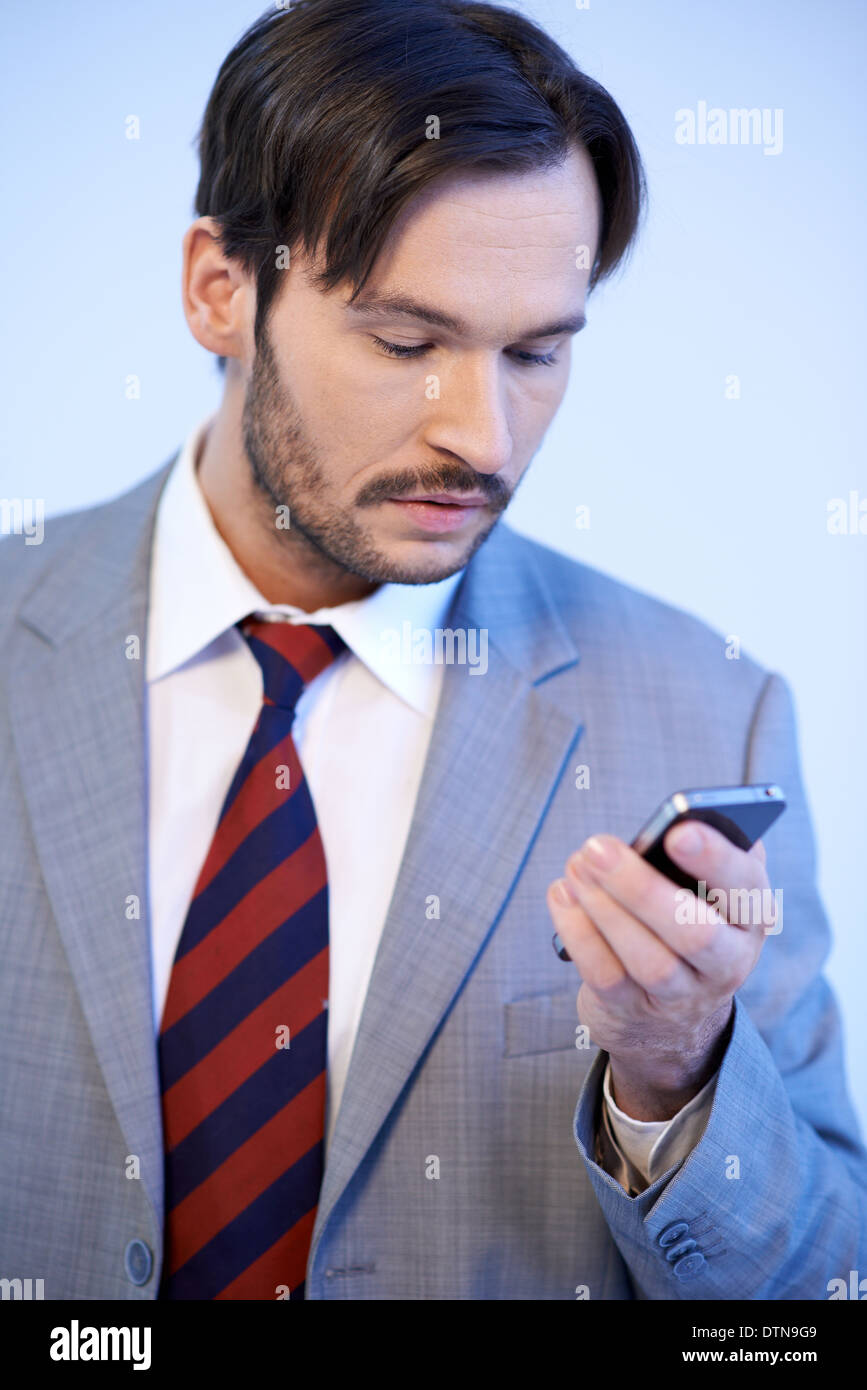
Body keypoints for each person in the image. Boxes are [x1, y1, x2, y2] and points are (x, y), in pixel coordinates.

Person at [1, 0, 864, 1301]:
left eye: (536, 353)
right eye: (407, 343)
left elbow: (815, 1291)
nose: (485, 437)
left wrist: (678, 1078)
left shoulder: (708, 708)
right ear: (219, 289)